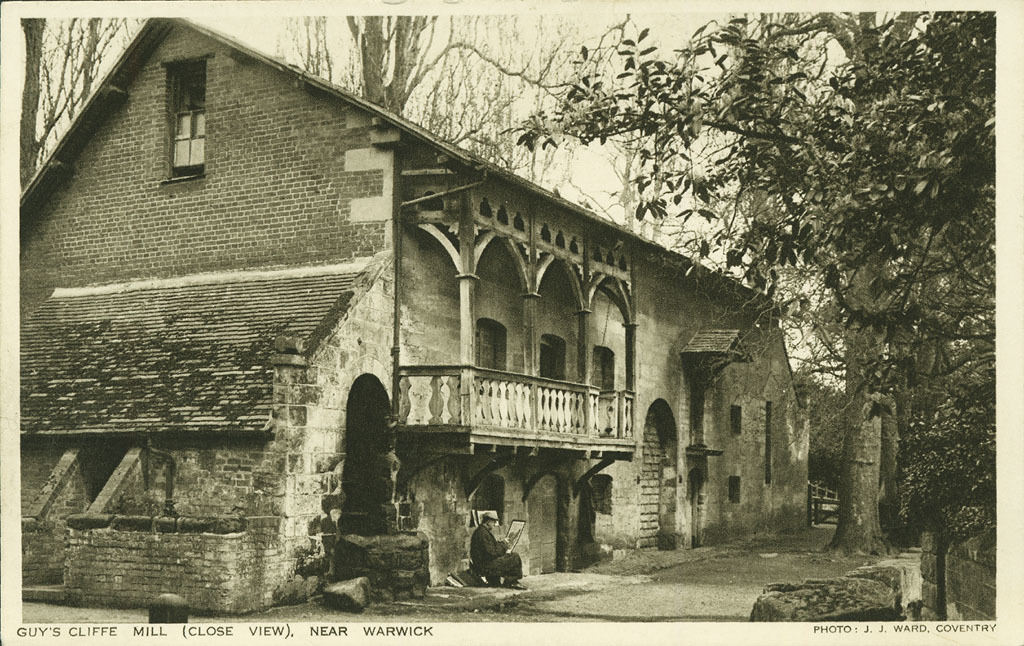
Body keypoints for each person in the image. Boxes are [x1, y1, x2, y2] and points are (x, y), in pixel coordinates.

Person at [470, 511, 526, 589]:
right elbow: (492, 553)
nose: (494, 525)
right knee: (514, 557)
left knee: (508, 556)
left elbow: (492, 547)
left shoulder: (482, 531)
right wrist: (504, 546)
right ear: (488, 521)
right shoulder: (482, 533)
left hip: (484, 564)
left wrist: (502, 543)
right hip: (484, 566)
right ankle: (511, 581)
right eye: (493, 522)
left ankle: (498, 580)